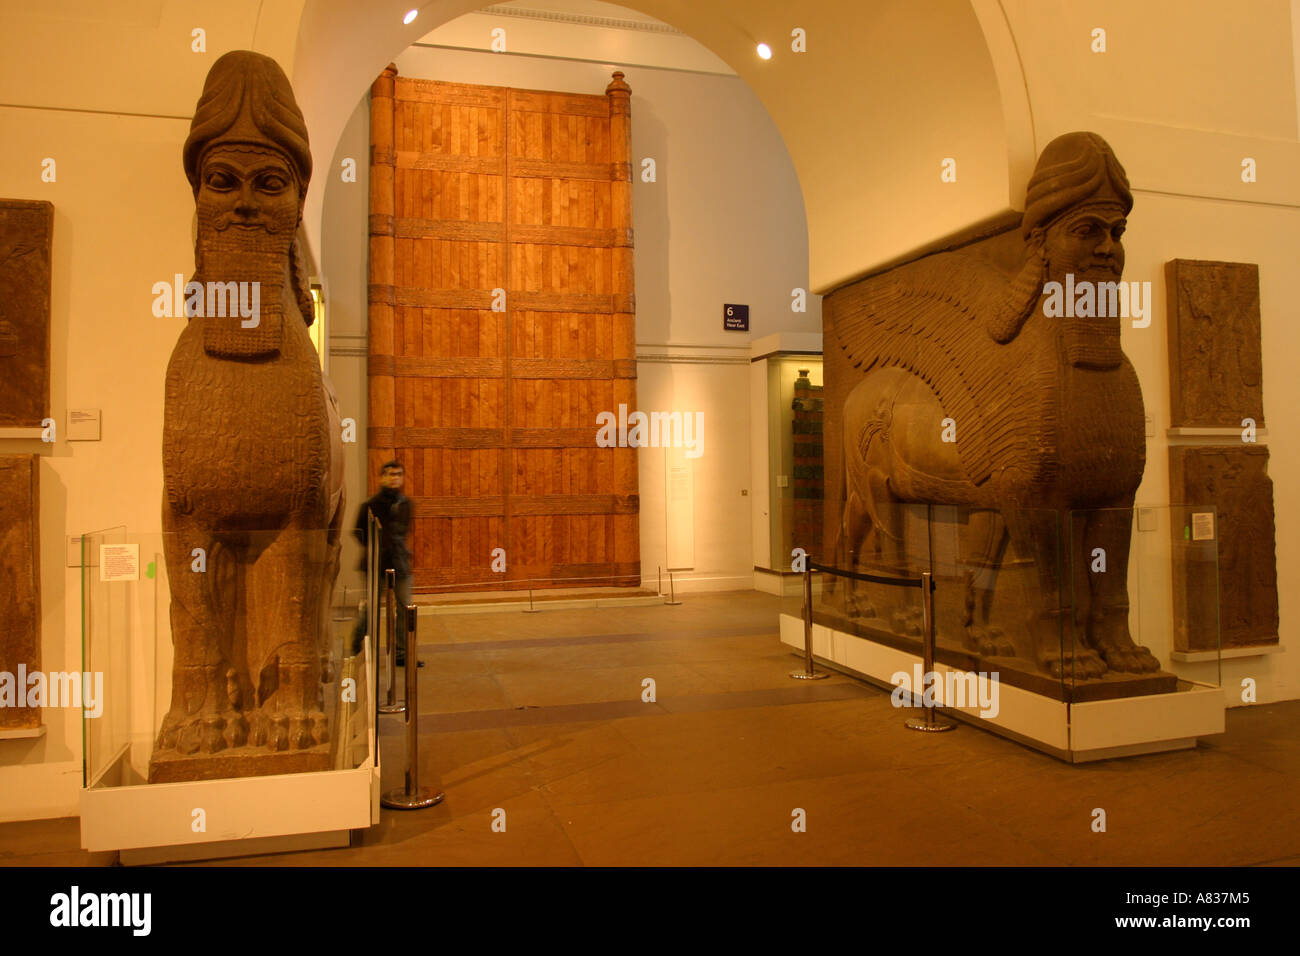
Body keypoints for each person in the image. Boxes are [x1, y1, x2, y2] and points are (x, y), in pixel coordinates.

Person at [351, 461, 422, 666]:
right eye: (390, 474)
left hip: (400, 563)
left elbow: (403, 531)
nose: (394, 478)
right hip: (375, 564)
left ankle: (402, 654)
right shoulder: (370, 505)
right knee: (371, 610)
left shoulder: (406, 504)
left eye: (398, 474)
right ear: (382, 477)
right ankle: (360, 651)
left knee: (405, 609)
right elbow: (359, 532)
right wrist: (376, 547)